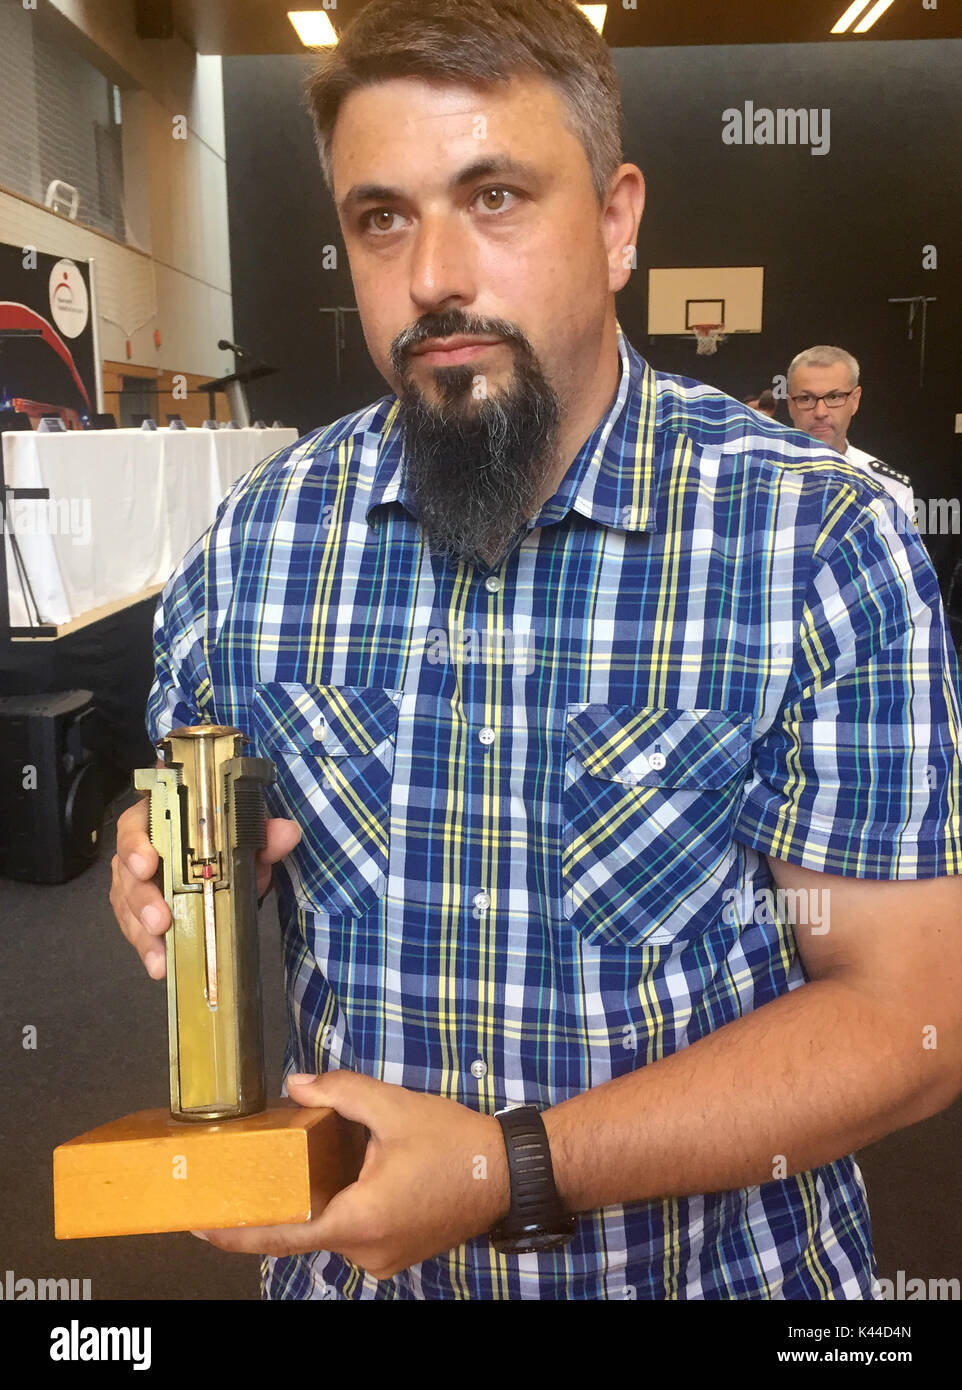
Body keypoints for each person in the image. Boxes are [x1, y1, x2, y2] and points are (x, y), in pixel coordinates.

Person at [110, 0, 962, 1301]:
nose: (434, 272)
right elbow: (202, 838)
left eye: (495, 195)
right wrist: (169, 859)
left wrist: (509, 1167)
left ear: (618, 220)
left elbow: (909, 1019)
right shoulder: (253, 545)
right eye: (381, 217)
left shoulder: (819, 539)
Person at [786, 345, 916, 525]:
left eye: (834, 397)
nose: (820, 412)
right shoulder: (756, 480)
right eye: (806, 399)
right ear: (790, 405)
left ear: (855, 400)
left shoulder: (891, 487)